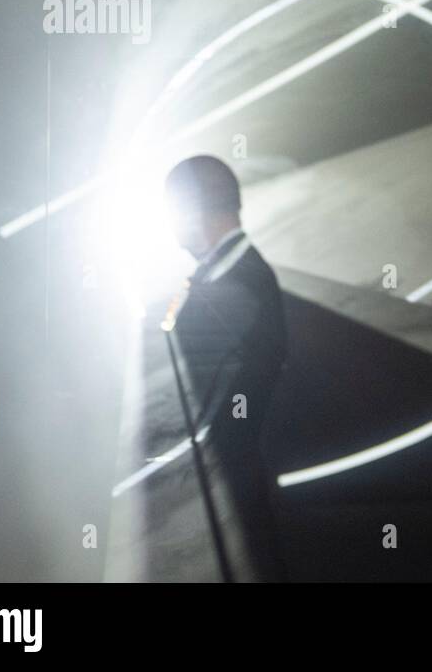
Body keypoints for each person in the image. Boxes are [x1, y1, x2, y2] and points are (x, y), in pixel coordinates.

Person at [164, 154, 289, 581]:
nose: (171, 227)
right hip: (237, 497)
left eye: (174, 211)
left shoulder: (237, 287)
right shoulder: (218, 280)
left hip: (245, 499)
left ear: (195, 210)